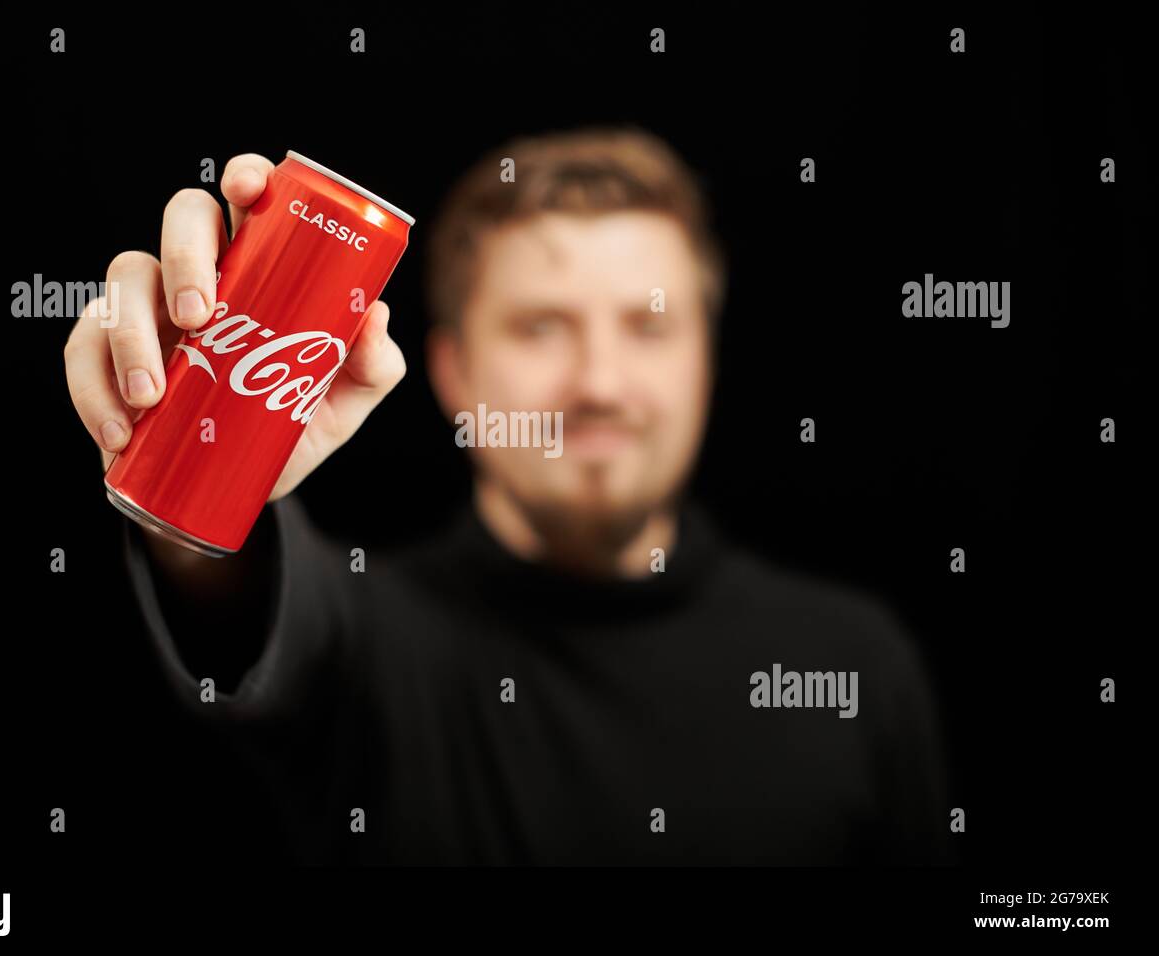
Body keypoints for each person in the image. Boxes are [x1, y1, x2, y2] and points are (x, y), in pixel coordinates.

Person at [63, 127, 955, 865]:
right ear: (451, 372)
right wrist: (207, 446)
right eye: (540, 327)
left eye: (649, 325)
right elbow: (239, 616)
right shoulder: (366, 647)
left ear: (706, 359)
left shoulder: (856, 666)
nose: (600, 382)